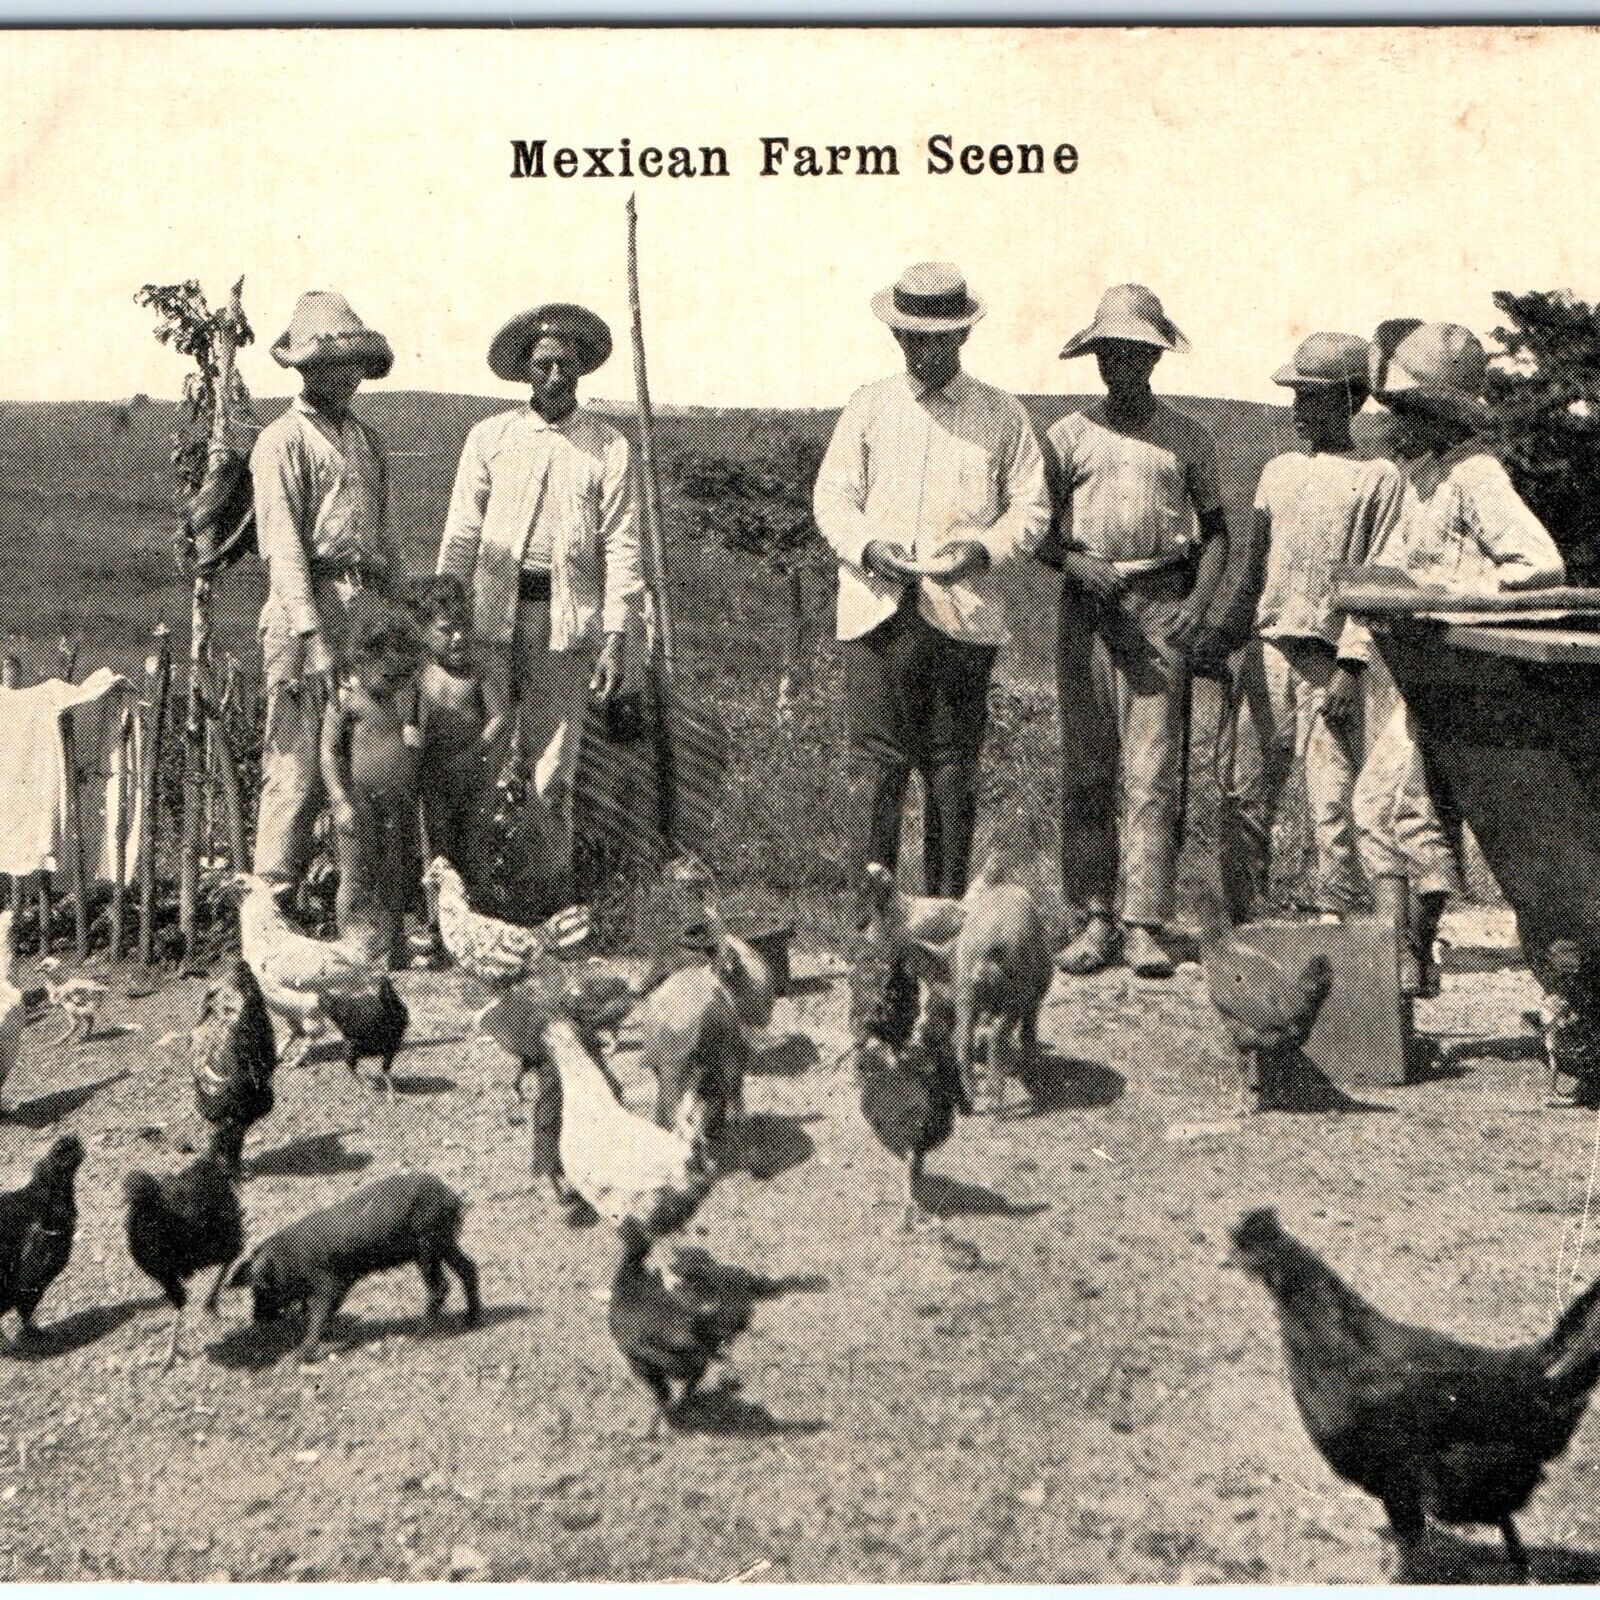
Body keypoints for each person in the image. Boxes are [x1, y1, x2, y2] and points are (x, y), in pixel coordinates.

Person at [814, 262, 1050, 899]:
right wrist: (869, 546)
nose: (922, 349)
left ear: (963, 336)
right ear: (896, 338)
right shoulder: (870, 407)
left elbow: (1031, 508)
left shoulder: (1001, 416)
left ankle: (946, 931)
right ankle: (876, 938)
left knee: (951, 776)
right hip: (878, 613)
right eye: (910, 337)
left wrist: (983, 547)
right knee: (875, 777)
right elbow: (833, 498)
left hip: (961, 617)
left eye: (937, 337)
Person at [1352, 320, 1565, 995]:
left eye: (1411, 410)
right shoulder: (1421, 480)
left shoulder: (1477, 474)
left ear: (1440, 413)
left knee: (1407, 807)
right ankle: (1403, 957)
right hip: (1416, 670)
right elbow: (1395, 567)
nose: (1397, 422)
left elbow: (1539, 564)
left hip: (1462, 670)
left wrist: (1453, 594)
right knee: (1382, 806)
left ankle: (1408, 957)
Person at [1043, 285, 1230, 978]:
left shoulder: (1187, 438)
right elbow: (1037, 532)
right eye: (1111, 353)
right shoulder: (1068, 437)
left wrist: (1196, 607)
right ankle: (1093, 917)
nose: (1123, 366)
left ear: (1155, 358)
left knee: (1152, 772)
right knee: (1089, 769)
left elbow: (1217, 535)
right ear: (1095, 358)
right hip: (1089, 609)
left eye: (1137, 354)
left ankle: (1144, 921)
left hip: (1160, 606)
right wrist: (1074, 561)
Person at [437, 303, 644, 897]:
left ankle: (543, 895)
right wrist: (447, 612)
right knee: (489, 750)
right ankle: (476, 891)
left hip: (568, 622)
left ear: (582, 370)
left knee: (554, 765)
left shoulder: (608, 446)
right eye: (544, 364)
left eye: (566, 364)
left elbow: (621, 544)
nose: (556, 376)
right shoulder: (490, 438)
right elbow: (461, 534)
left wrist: (615, 634)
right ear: (526, 371)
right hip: (492, 618)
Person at [1228, 333, 1406, 921]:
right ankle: (1246, 923)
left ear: (1352, 402)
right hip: (1268, 650)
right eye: (1297, 397)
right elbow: (1253, 563)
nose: (1302, 410)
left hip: (1330, 658)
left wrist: (1352, 667)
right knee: (1247, 791)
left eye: (1316, 398)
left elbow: (1377, 581)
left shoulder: (1379, 478)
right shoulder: (1278, 471)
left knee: (1331, 798)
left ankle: (1339, 923)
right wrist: (1226, 639)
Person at [250, 292, 407, 887]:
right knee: (295, 766)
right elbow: (284, 551)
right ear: (306, 370)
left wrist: (394, 618)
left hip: (361, 610)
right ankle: (273, 905)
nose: (347, 380)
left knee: (365, 758)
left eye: (354, 368)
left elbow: (381, 539)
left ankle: (357, 904)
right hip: (303, 614)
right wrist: (312, 636)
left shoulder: (366, 441)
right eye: (333, 367)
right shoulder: (281, 442)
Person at [319, 594, 426, 962]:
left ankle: (393, 944)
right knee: (355, 875)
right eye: (387, 676)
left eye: (402, 676)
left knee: (394, 871)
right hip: (357, 800)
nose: (394, 684)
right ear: (361, 660)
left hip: (396, 800)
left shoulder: (401, 695)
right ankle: (353, 945)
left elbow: (409, 735)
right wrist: (338, 799)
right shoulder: (347, 699)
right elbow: (331, 751)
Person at [412, 574, 507, 880]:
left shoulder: (477, 672)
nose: (458, 637)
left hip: (472, 773)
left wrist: (475, 751)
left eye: (463, 627)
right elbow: (409, 721)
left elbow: (499, 717)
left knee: (474, 841)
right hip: (433, 771)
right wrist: (412, 749)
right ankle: (435, 916)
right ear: (424, 633)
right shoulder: (420, 674)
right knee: (435, 842)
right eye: (446, 630)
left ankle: (477, 905)